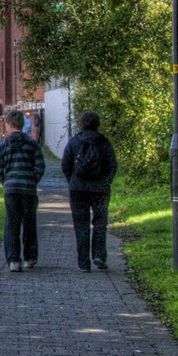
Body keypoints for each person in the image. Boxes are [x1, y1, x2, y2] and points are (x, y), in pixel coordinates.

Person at [61, 110, 119, 271]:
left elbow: (65, 164)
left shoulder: (74, 141)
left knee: (81, 225)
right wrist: (106, 181)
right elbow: (112, 165)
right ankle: (99, 255)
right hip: (100, 189)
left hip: (78, 189)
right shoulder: (103, 142)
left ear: (81, 124)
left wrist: (72, 181)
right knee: (100, 222)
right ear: (97, 124)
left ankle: (84, 263)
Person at [0, 108, 45, 272]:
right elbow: (40, 167)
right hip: (28, 188)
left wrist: (6, 182)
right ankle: (29, 258)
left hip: (11, 189)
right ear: (22, 124)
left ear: (10, 124)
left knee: (12, 224)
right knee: (29, 223)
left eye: (6, 124)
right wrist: (32, 181)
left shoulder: (3, 145)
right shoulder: (32, 144)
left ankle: (14, 261)